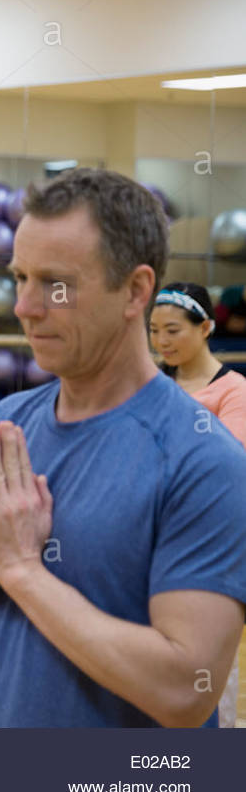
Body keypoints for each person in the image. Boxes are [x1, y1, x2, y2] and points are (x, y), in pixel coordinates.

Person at [0, 168, 246, 727]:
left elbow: (185, 690)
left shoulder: (203, 461)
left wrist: (22, 572)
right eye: (20, 277)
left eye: (54, 284)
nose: (24, 306)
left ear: (136, 290)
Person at [150, 280, 246, 726]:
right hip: (149, 542)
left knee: (208, 673)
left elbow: (227, 469)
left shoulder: (233, 390)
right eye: (154, 331)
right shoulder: (149, 387)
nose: (162, 341)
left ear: (206, 327)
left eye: (173, 330)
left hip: (211, 547)